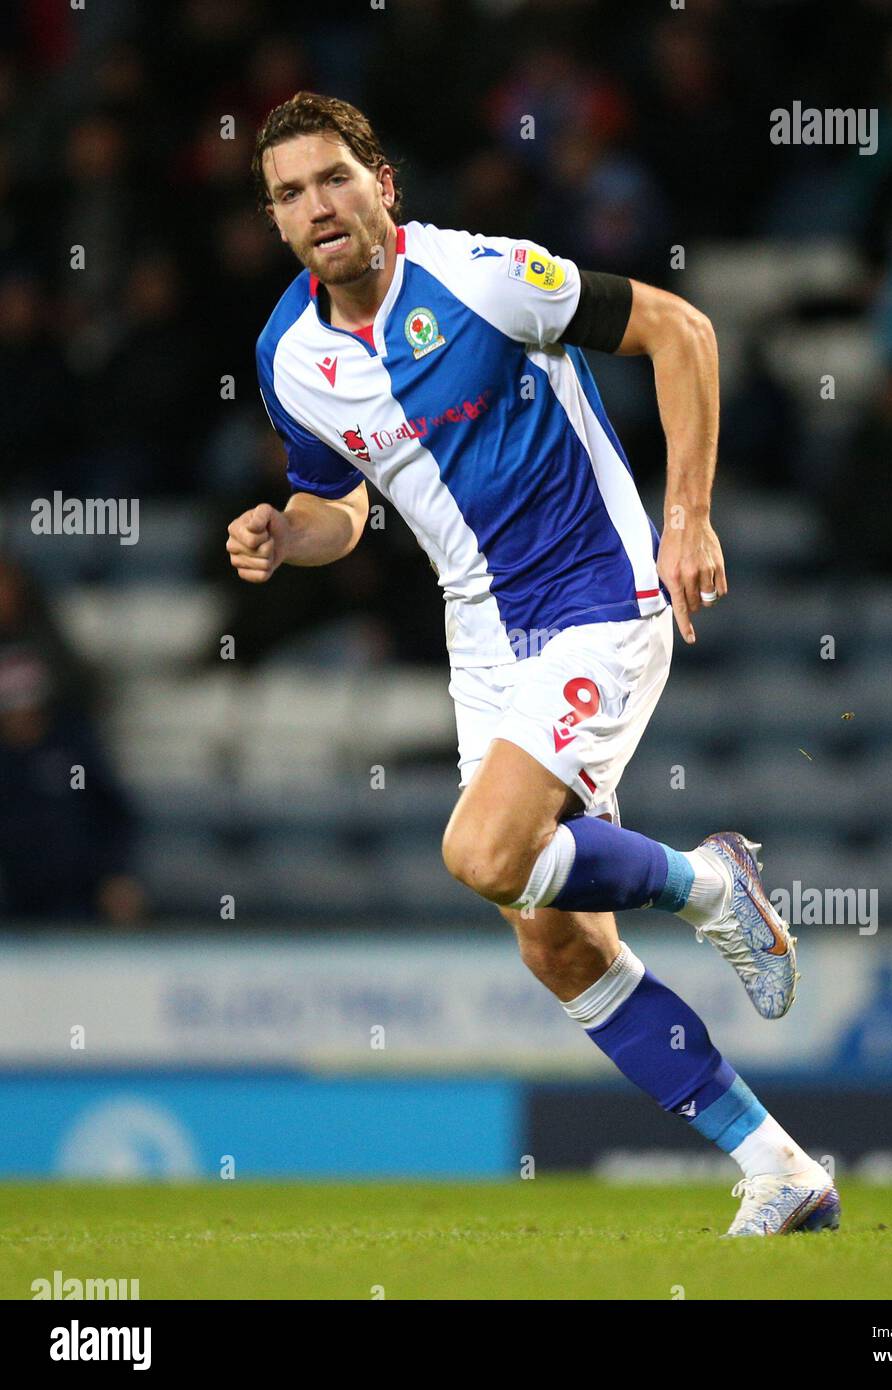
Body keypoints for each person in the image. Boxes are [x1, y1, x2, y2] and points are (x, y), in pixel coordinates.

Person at [229, 91, 839, 1235]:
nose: (317, 207)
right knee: (554, 941)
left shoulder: (482, 276)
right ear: (273, 221)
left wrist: (688, 515)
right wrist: (284, 533)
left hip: (598, 594)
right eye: (290, 193)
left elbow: (682, 331)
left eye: (334, 179)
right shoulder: (289, 356)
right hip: (483, 639)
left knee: (481, 848)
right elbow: (338, 506)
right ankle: (779, 1167)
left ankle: (712, 882)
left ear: (382, 185)